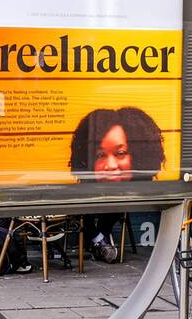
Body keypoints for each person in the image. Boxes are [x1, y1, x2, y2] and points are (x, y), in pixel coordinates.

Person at [68, 107, 166, 261]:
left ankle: (99, 243)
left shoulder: (132, 187)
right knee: (79, 208)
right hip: (90, 201)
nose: (111, 165)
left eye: (120, 153)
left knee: (118, 203)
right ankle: (100, 242)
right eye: (100, 155)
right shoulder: (88, 182)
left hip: (118, 200)